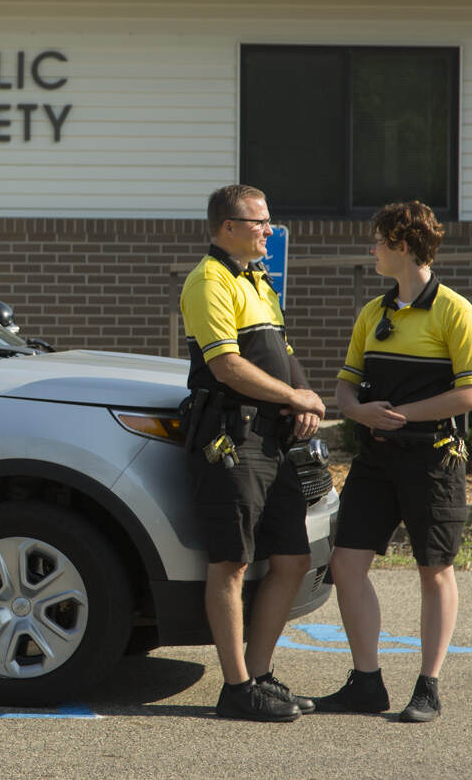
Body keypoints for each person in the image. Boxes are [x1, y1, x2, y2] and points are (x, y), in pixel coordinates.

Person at [315, 200, 472, 723]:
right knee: (345, 565)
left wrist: (402, 415)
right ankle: (366, 683)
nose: (371, 249)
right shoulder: (374, 312)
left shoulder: (455, 311)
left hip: (434, 461)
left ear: (403, 246)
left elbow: (471, 394)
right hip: (375, 461)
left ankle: (428, 687)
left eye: (379, 241)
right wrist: (357, 410)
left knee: (434, 571)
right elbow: (344, 388)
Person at [180, 184, 326, 722]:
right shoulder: (209, 281)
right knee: (233, 562)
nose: (270, 229)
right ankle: (237, 689)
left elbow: (283, 357)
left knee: (292, 559)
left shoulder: (258, 282)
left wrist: (303, 401)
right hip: (232, 437)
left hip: (276, 439)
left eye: (269, 220)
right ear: (228, 227)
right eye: (260, 221)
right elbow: (226, 366)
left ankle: (260, 675)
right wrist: (294, 397)